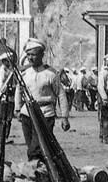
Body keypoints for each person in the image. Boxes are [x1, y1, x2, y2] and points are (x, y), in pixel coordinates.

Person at [15, 38, 70, 166]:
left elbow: (61, 95)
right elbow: (19, 90)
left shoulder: (50, 74)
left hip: (45, 114)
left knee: (36, 149)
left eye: (33, 54)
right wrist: (17, 109)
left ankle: (39, 172)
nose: (30, 58)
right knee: (31, 147)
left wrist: (64, 117)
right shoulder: (24, 73)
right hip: (27, 114)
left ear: (41, 55)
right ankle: (40, 174)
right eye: (28, 55)